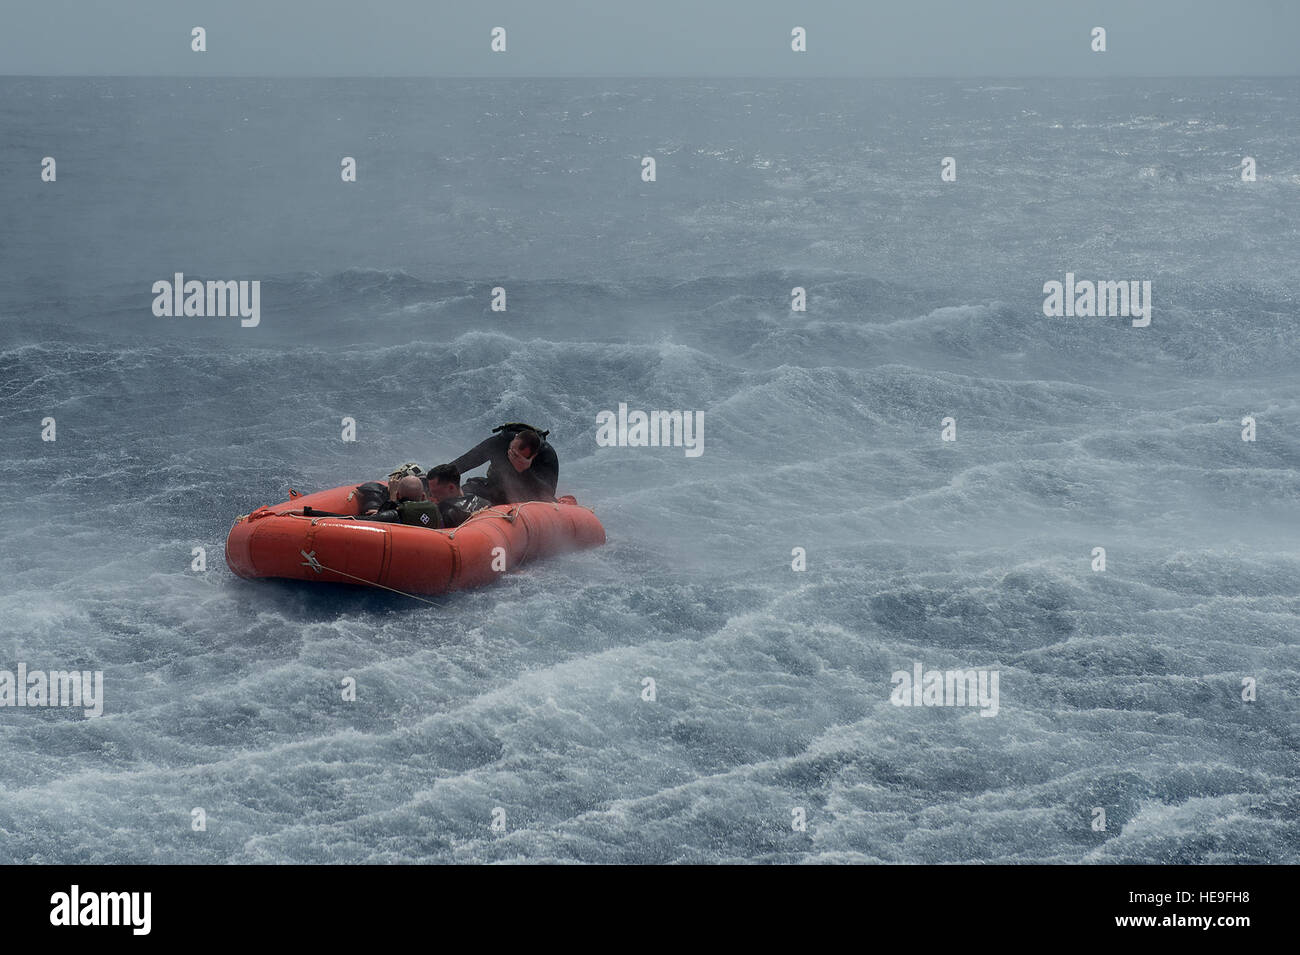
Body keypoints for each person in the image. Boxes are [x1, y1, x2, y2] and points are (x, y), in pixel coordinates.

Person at [450, 423, 558, 505]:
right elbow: (465, 462)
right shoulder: (501, 442)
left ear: (534, 455)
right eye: (511, 450)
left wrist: (525, 471)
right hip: (494, 488)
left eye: (517, 456)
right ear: (514, 438)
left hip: (527, 498)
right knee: (467, 490)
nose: (512, 456)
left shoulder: (546, 455)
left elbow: (548, 494)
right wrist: (442, 476)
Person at [424, 463, 493, 527]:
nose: (432, 496)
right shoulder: (484, 503)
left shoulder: (445, 514)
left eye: (435, 492)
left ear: (451, 488)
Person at [368, 475, 444, 528]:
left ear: (397, 495)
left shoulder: (394, 515)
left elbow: (362, 522)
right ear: (423, 496)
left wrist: (381, 514)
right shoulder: (437, 513)